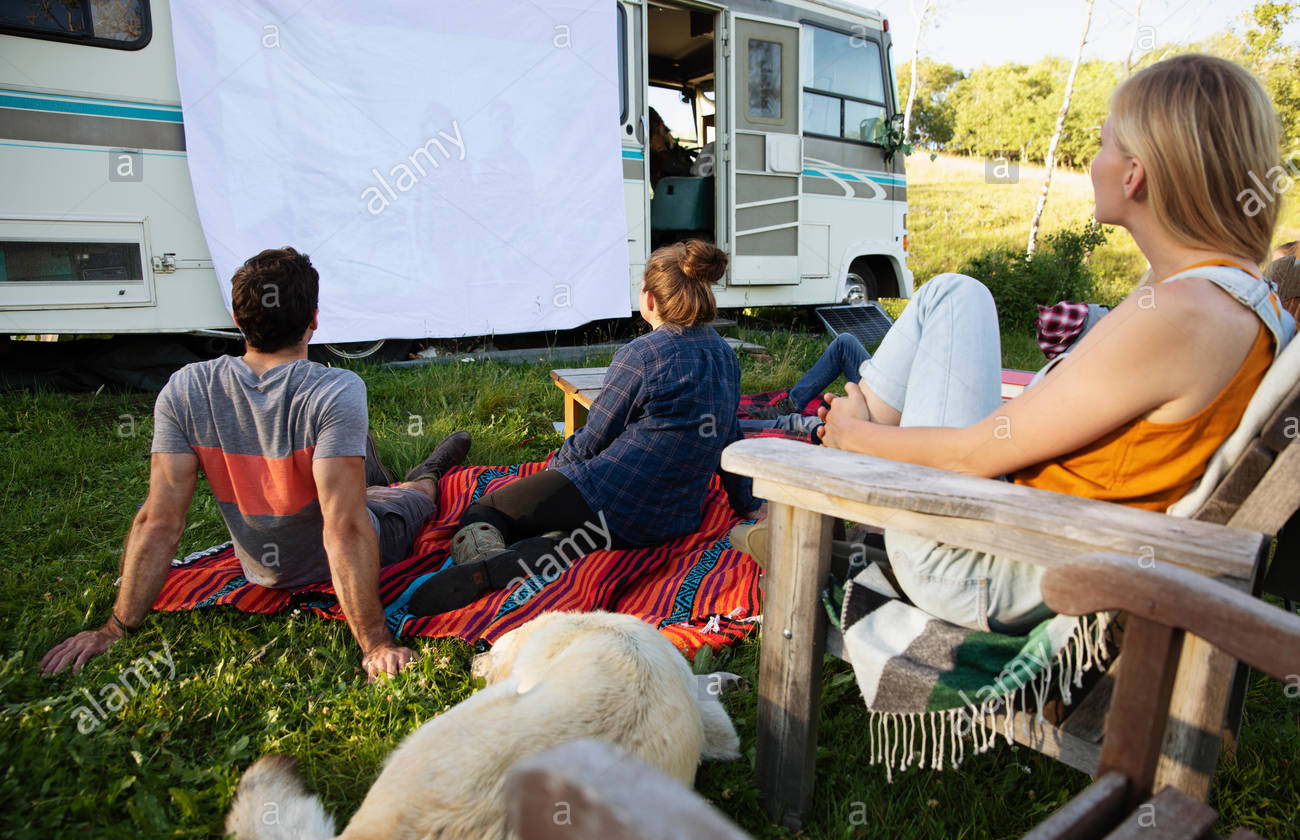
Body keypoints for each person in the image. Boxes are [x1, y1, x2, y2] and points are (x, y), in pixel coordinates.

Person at [734, 54, 1295, 635]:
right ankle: (819, 505)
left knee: (950, 300)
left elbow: (974, 455)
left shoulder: (1183, 314)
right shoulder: (1241, 300)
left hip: (981, 558)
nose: (1095, 161)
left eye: (1102, 144)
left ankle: (813, 503)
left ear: (1135, 174)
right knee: (954, 294)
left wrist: (856, 436)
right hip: (1022, 526)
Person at [40, 247, 470, 681]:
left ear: (236, 317)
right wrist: (376, 643)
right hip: (355, 538)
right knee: (414, 495)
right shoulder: (336, 389)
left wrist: (116, 627)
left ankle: (372, 480)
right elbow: (345, 528)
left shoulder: (186, 388)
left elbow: (158, 521)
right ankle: (431, 467)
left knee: (347, 457)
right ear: (314, 319)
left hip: (262, 570)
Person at [411, 240, 765, 616]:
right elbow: (729, 439)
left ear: (649, 299)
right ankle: (545, 548)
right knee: (563, 530)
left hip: (611, 496)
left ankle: (481, 564)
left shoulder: (641, 354)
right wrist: (747, 504)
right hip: (672, 521)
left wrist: (551, 475)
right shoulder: (726, 356)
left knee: (488, 512)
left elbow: (592, 438)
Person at [740, 331, 871, 436]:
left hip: (881, 410)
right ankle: (790, 405)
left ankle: (807, 422)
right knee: (844, 342)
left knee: (844, 343)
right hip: (880, 389)